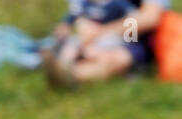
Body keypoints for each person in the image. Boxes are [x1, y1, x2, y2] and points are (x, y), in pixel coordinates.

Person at [43, 0, 172, 86]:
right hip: (95, 41)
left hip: (134, 41)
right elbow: (76, 15)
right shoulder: (89, 4)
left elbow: (148, 19)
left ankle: (72, 75)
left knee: (113, 58)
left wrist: (101, 32)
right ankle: (64, 65)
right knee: (75, 46)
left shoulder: (120, 5)